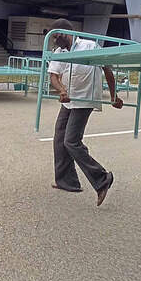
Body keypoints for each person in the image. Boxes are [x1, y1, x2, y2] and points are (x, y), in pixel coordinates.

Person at [45, 19, 124, 206]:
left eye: (56, 36)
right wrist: (61, 90)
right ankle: (68, 182)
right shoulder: (59, 52)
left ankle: (102, 179)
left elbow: (107, 69)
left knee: (71, 141)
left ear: (65, 33)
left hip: (85, 99)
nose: (55, 41)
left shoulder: (89, 45)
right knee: (59, 140)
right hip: (69, 100)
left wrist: (114, 96)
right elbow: (54, 76)